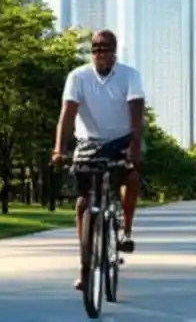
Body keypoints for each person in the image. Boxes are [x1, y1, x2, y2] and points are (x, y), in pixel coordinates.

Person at [51, 29, 144, 291]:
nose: (99, 52)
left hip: (122, 139)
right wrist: (59, 148)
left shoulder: (130, 75)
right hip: (88, 142)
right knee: (83, 201)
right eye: (95, 47)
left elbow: (136, 112)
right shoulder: (77, 76)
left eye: (105, 47)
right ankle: (86, 263)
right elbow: (67, 115)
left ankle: (125, 229)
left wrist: (134, 148)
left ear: (114, 50)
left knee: (133, 176)